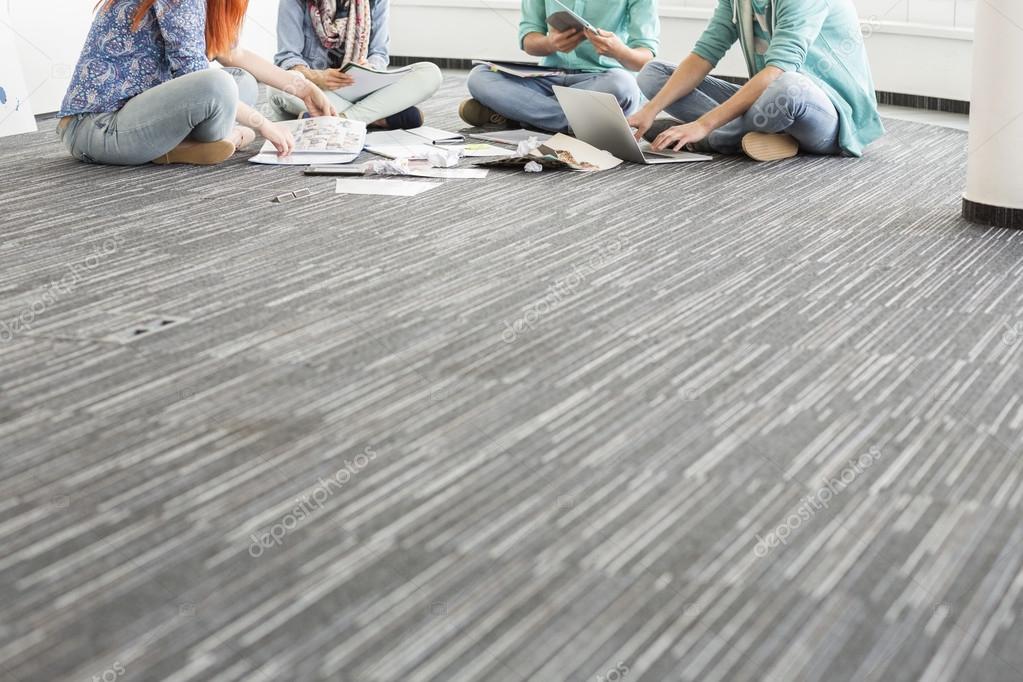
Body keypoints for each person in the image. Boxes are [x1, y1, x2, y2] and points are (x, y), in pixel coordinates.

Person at [57, 0, 336, 166]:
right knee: (219, 85)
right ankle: (214, 139)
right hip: (97, 129)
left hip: (134, 115)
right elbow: (193, 72)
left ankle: (184, 145)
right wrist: (262, 125)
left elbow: (231, 53)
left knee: (242, 82)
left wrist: (303, 87)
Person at [628, 0, 883, 161]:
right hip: (770, 104)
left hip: (831, 117)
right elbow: (703, 55)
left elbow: (777, 72)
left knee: (788, 87)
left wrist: (703, 126)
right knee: (653, 74)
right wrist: (650, 110)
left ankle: (717, 140)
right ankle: (764, 137)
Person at [458, 0, 659, 133]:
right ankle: (585, 124)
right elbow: (529, 40)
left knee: (625, 85)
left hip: (602, 80)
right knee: (480, 75)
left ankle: (518, 117)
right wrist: (550, 44)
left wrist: (618, 51)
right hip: (547, 78)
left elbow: (644, 58)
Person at [270, 0, 443, 129]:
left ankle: (339, 120)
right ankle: (375, 117)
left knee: (429, 72)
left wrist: (370, 69)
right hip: (319, 91)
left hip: (361, 89)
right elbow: (287, 58)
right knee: (277, 88)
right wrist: (319, 77)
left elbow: (379, 53)